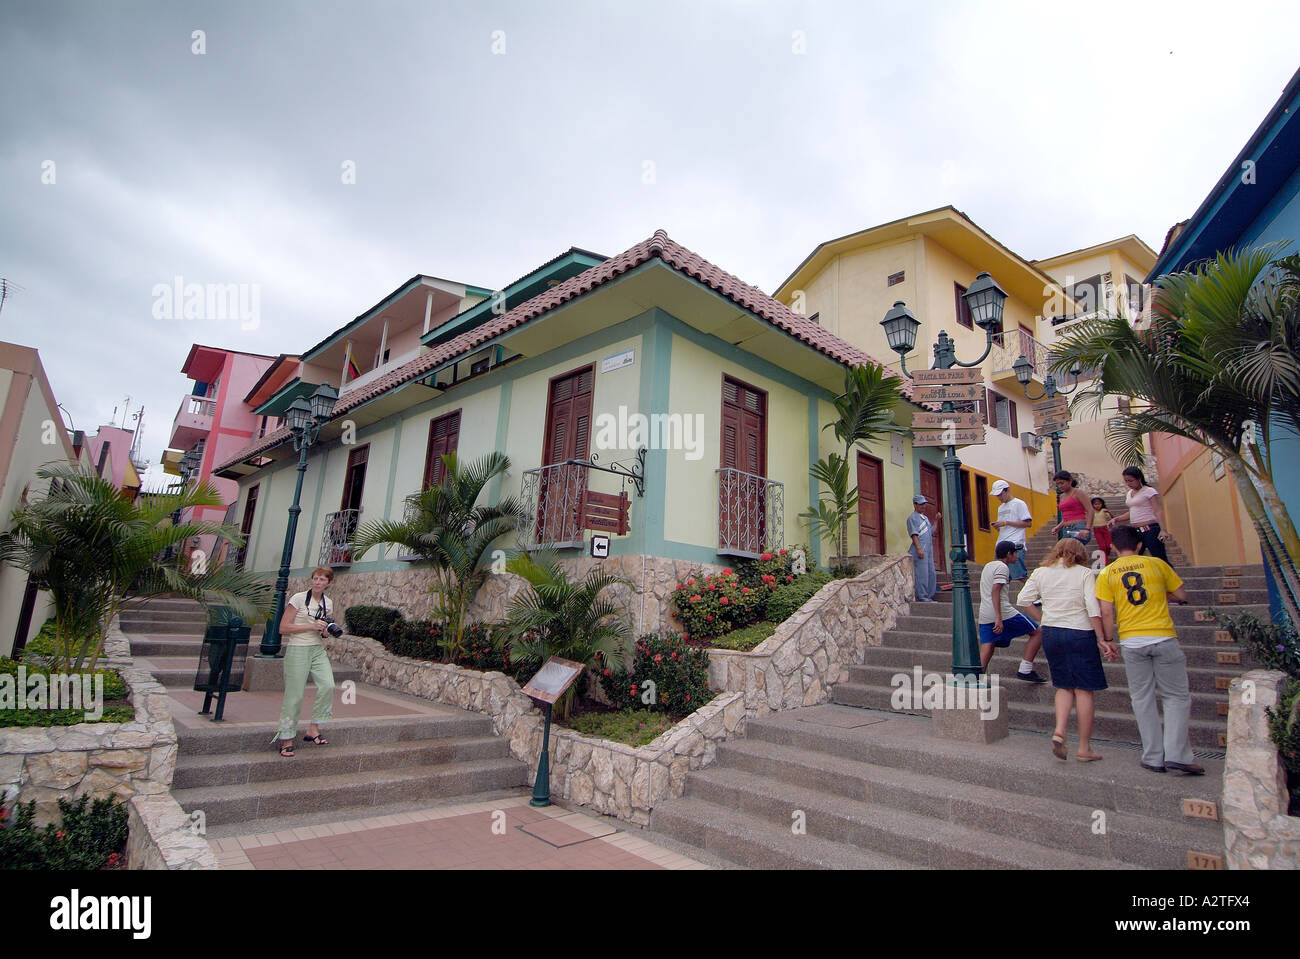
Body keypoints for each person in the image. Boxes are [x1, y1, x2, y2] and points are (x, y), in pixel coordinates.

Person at [1095, 525, 1203, 775]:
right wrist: (1160, 592)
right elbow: (1181, 594)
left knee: (1142, 698)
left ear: (1112, 547)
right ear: (1140, 545)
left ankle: (1153, 756)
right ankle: (1177, 754)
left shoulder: (1107, 573)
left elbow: (1107, 611)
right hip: (1163, 636)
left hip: (1132, 641)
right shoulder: (1156, 564)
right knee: (1176, 696)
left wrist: (1109, 639)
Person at [1017, 537, 1115, 762]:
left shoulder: (1041, 572)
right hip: (1080, 632)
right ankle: (1084, 747)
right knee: (1083, 689)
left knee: (1063, 685)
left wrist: (1042, 619)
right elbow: (1093, 608)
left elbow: (1023, 599)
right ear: (1080, 553)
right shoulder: (1084, 573)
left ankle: (1060, 730)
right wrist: (1102, 638)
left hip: (1052, 632)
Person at [274, 566, 339, 758]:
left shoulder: (328, 603)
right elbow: (283, 627)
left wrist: (325, 631)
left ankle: (313, 728)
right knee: (294, 695)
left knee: (328, 685)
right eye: (315, 578)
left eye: (322, 579)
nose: (318, 582)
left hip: (317, 649)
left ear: (329, 583)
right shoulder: (299, 598)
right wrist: (311, 625)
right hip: (298, 649)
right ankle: (286, 737)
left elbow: (323, 633)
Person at [978, 540, 1046, 681]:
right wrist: (998, 617)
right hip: (1003, 611)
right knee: (1038, 631)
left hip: (984, 612)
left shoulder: (988, 566)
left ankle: (977, 676)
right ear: (1008, 554)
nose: (1017, 555)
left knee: (988, 643)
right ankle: (1025, 669)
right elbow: (996, 589)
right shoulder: (1003, 568)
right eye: (1015, 553)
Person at [1108, 466, 1172, 564]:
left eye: (1131, 481)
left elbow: (1157, 510)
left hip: (1150, 529)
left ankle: (1170, 577)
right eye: (1126, 481)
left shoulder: (1148, 491)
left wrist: (1163, 530)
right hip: (1136, 531)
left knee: (1160, 558)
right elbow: (1133, 511)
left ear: (1139, 478)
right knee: (1134, 559)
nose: (1129, 484)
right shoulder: (1129, 493)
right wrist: (1117, 519)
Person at [989, 479, 1032, 581]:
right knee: (1000, 577)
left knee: (1020, 575)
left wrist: (1006, 522)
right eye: (997, 495)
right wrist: (998, 526)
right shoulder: (1000, 508)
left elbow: (1028, 523)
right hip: (1001, 543)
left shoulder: (1019, 503)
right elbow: (1004, 527)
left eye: (1000, 494)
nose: (999, 497)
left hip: (1015, 543)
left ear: (1006, 490)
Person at [907, 494, 940, 602]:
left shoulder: (925, 518)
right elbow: (914, 535)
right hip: (920, 549)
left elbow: (932, 532)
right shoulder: (912, 518)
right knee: (922, 574)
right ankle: (922, 596)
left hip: (928, 550)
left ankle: (929, 595)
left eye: (924, 504)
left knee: (931, 572)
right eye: (920, 504)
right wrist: (919, 549)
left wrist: (936, 520)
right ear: (915, 505)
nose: (923, 506)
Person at [1049, 470, 1093, 545]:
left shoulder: (1078, 492)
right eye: (1057, 484)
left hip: (1079, 527)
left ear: (1070, 481)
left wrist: (1087, 528)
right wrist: (1058, 527)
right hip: (1066, 529)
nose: (1060, 486)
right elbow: (1066, 516)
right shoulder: (1062, 496)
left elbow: (1090, 510)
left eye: (1062, 483)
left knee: (1071, 551)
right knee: (1066, 553)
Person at [1091, 497, 1114, 565]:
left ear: (1102, 504)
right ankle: (1105, 561)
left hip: (1105, 529)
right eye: (1095, 504)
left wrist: (1108, 512)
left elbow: (1112, 518)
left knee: (1108, 545)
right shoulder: (1092, 512)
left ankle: (1105, 555)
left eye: (1099, 504)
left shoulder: (1104, 511)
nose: (1097, 505)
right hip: (1097, 529)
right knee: (1102, 546)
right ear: (1092, 505)